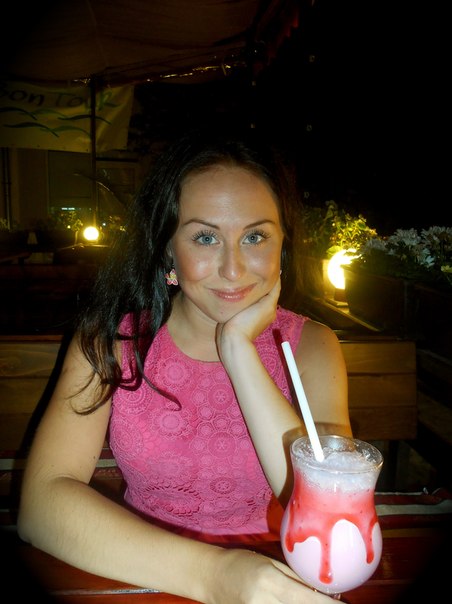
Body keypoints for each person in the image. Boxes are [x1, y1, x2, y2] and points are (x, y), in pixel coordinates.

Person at [17, 127, 352, 603]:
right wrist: (216, 577)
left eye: (255, 236)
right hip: (135, 565)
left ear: (283, 244)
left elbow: (321, 505)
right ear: (168, 249)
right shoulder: (112, 343)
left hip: (274, 577)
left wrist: (239, 351)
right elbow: (42, 503)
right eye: (205, 238)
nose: (233, 269)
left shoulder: (312, 347)